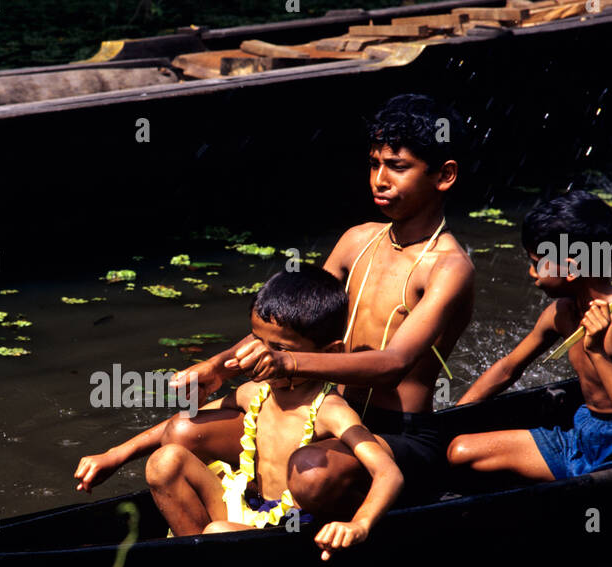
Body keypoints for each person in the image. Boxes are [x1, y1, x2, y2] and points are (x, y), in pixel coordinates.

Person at [163, 93, 474, 515]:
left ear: (444, 176)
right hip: (322, 412)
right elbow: (292, 328)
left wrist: (290, 365)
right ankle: (219, 537)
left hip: (396, 434)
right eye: (373, 163)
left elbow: (392, 364)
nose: (379, 180)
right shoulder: (356, 241)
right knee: (182, 432)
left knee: (310, 471)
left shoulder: (449, 267)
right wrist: (217, 367)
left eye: (397, 167)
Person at [74, 267, 403, 560]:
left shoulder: (329, 409)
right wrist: (114, 456)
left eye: (281, 349)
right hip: (245, 507)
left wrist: (359, 525)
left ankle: (202, 565)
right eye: (258, 341)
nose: (261, 355)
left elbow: (388, 472)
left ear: (329, 353)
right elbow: (177, 423)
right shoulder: (254, 394)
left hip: (288, 528)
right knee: (165, 460)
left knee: (217, 533)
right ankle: (194, 558)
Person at [447, 190, 612, 480]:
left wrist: (596, 352)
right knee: (459, 451)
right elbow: (507, 368)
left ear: (570, 268)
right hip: (582, 436)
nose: (531, 273)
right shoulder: (561, 314)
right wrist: (449, 420)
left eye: (536, 263)